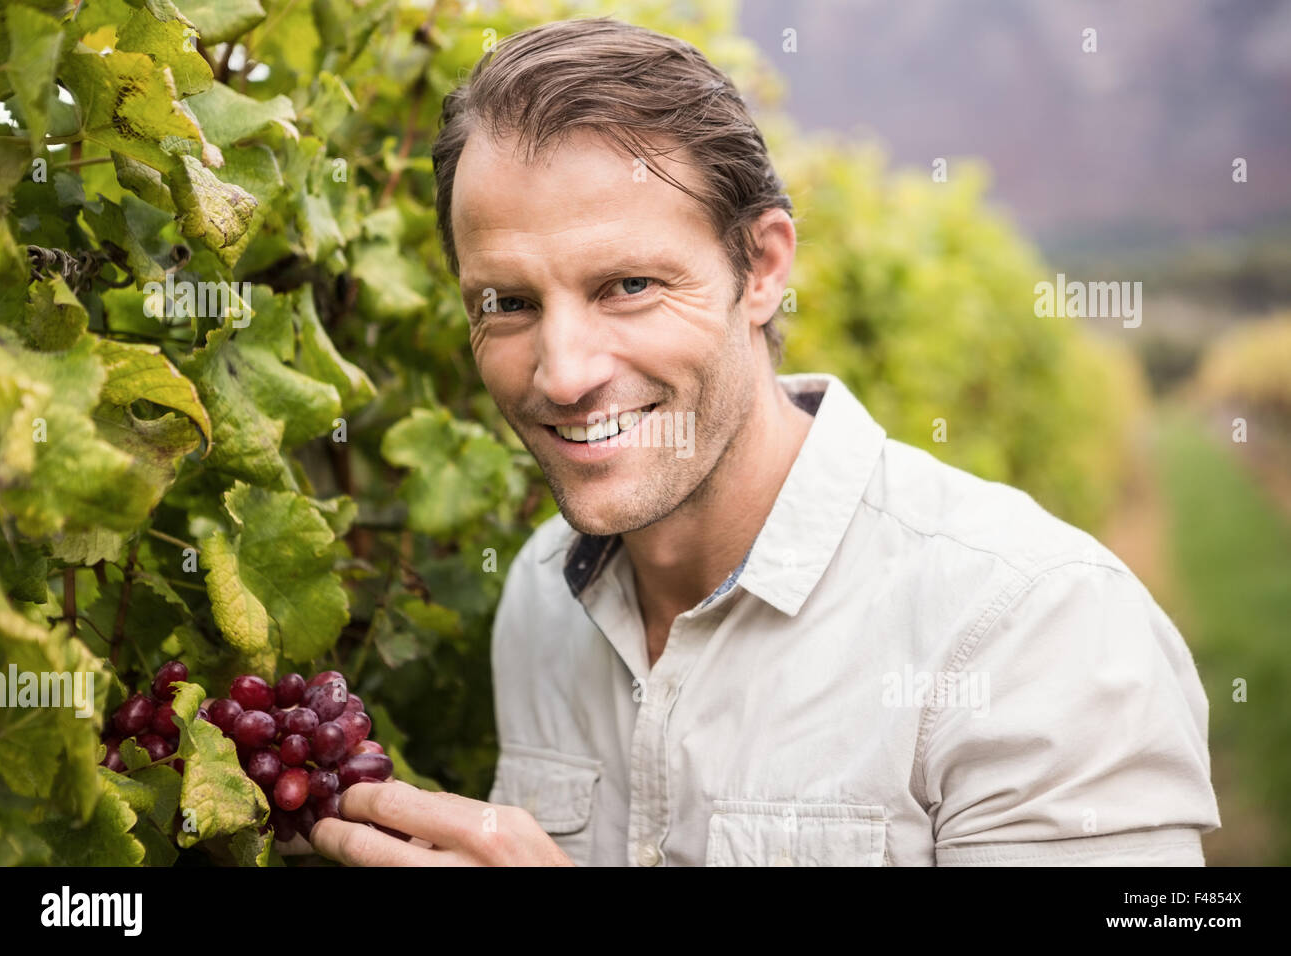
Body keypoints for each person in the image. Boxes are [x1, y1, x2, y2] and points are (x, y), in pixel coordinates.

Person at [310, 16, 1220, 866]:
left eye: (628, 284)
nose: (562, 373)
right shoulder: (541, 599)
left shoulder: (1034, 628)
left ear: (764, 269)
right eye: (506, 303)